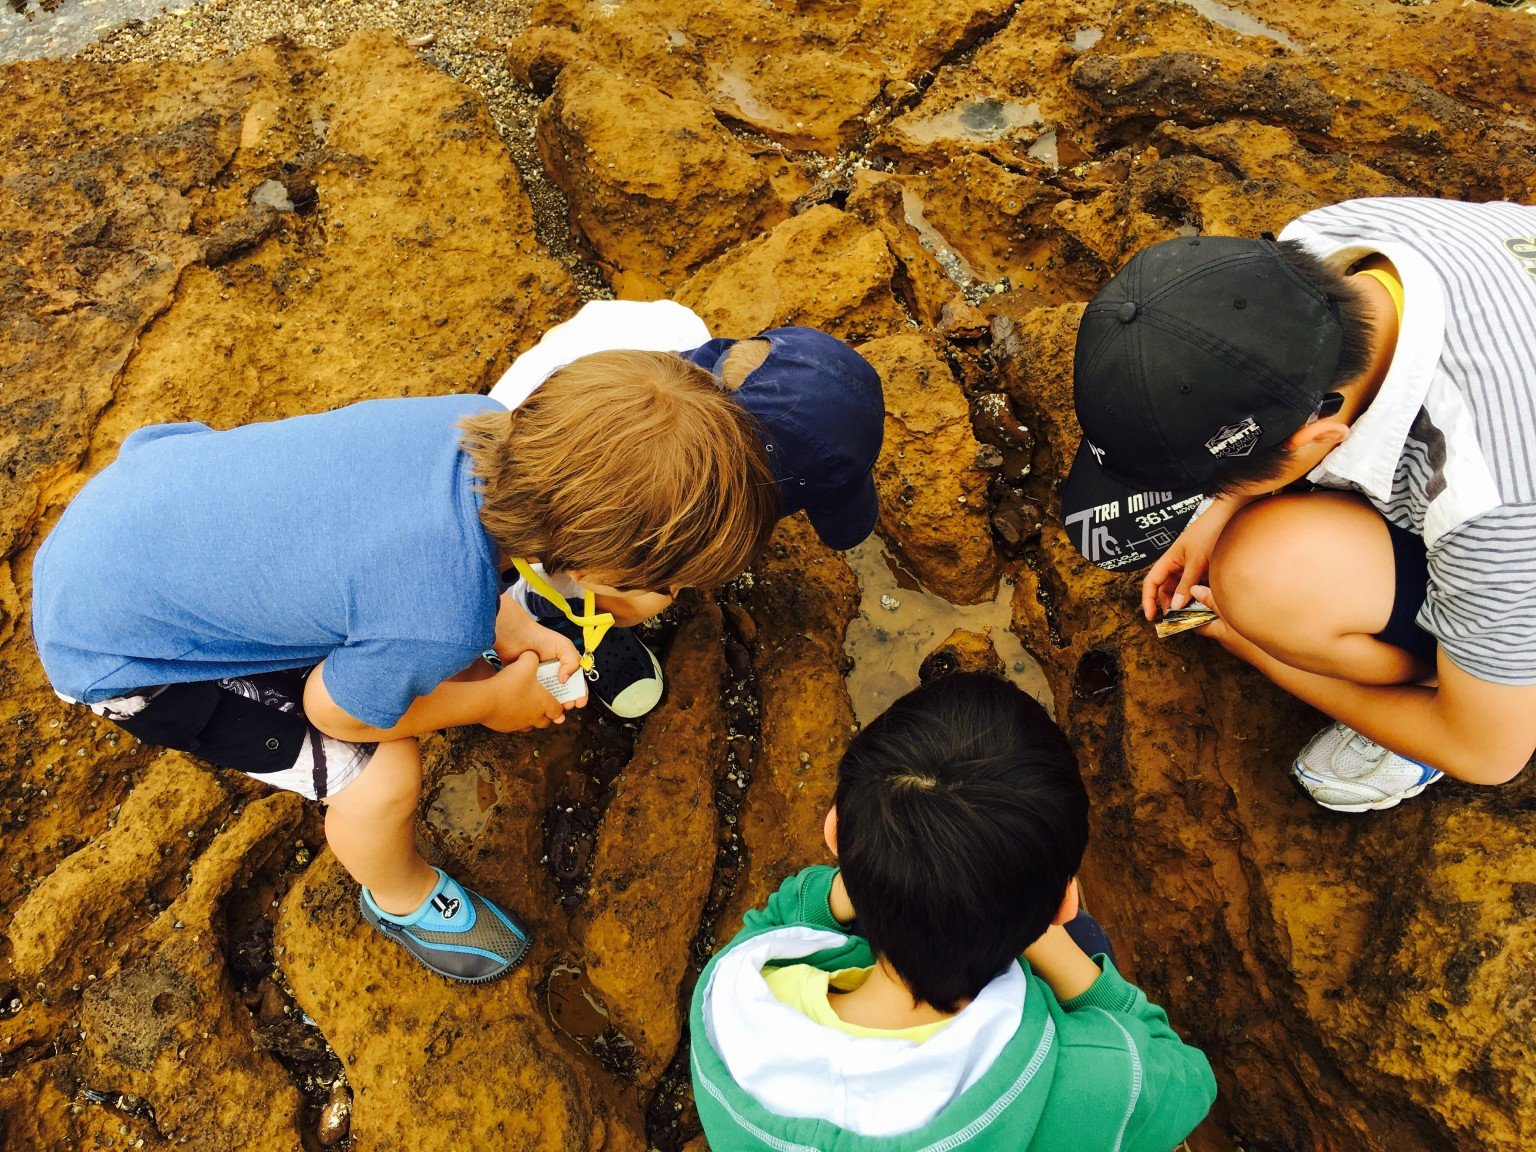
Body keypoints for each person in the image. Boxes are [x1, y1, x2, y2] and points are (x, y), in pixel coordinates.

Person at [30, 352, 778, 983]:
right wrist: (487, 704)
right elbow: (338, 712)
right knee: (386, 777)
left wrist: (508, 623)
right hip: (123, 651)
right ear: (600, 562)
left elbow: (416, 546)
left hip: (137, 497)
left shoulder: (471, 419)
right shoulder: (437, 619)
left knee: (377, 607)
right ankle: (400, 895)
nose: (675, 597)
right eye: (671, 583)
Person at [1061, 198, 1536, 812]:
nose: (1211, 500)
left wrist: (1250, 642)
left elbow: (1490, 756)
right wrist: (1216, 509)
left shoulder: (1490, 504)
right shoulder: (1326, 241)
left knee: (1266, 577)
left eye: (1211, 485)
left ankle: (1454, 684)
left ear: (1313, 441)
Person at [690, 673, 1216, 1150]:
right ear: (1061, 904)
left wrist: (887, 882)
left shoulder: (728, 999)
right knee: (1091, 940)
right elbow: (1187, 1079)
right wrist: (1050, 941)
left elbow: (775, 923)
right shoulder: (1096, 1077)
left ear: (834, 834)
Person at [487, 300, 884, 719]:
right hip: (533, 522)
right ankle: (542, 609)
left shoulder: (677, 329)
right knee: (649, 597)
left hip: (523, 429)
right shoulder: (629, 490)